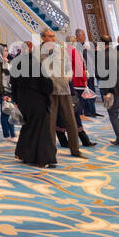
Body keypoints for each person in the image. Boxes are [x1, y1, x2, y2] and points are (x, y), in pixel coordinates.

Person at [10, 42, 57, 168]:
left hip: (23, 101)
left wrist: (16, 100)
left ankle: (25, 154)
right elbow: (46, 84)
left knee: (28, 126)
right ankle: (42, 158)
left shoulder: (16, 64)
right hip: (37, 101)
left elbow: (12, 84)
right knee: (40, 129)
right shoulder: (36, 64)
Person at [41, 30, 85, 158]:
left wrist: (68, 76)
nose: (53, 39)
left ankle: (75, 149)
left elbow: (68, 67)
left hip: (64, 89)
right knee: (51, 122)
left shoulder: (60, 50)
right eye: (49, 36)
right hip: (50, 91)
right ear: (43, 38)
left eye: (53, 36)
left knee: (71, 120)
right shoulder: (38, 52)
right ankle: (51, 151)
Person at [73, 29, 99, 117]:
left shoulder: (88, 46)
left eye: (84, 34)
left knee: (92, 92)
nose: (85, 36)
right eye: (83, 35)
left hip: (90, 72)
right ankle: (88, 111)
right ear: (78, 36)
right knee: (85, 93)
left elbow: (93, 58)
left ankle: (92, 110)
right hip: (83, 73)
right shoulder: (76, 47)